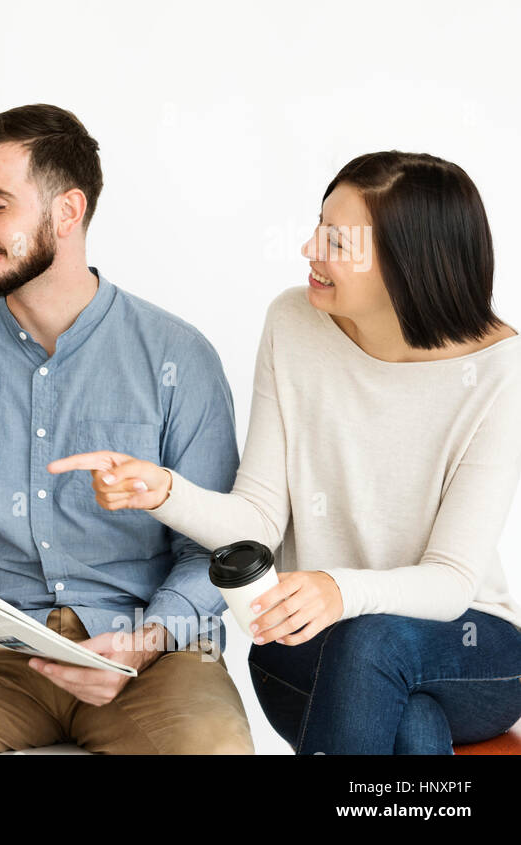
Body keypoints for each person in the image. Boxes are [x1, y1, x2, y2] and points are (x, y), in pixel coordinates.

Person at [59, 151, 521, 754]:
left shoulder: (499, 372)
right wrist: (164, 491)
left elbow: (451, 580)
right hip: (306, 651)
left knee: (374, 644)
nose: (309, 248)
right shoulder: (294, 322)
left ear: (409, 261)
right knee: (410, 723)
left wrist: (338, 589)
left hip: (466, 647)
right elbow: (259, 519)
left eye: (336, 239)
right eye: (316, 226)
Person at [0, 104, 255, 755]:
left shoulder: (178, 355)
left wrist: (144, 643)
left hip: (153, 653)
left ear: (67, 211)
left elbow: (216, 550)